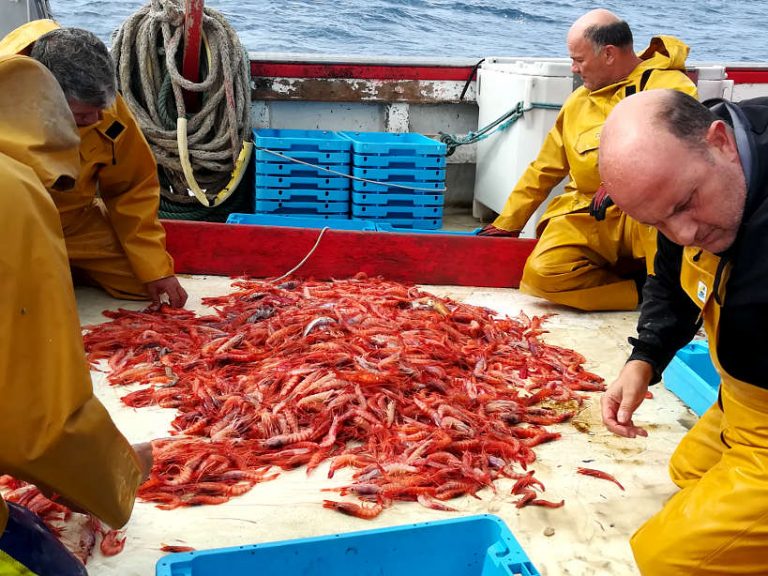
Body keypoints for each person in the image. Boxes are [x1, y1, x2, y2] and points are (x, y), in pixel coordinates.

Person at [599, 89, 768, 575]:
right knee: (687, 472)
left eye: (686, 204)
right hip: (745, 395)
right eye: (660, 222)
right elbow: (673, 279)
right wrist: (645, 357)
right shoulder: (688, 174)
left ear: (721, 143)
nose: (686, 234)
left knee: (664, 556)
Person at [0, 53, 152, 574]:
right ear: (56, 112)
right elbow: (36, 416)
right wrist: (117, 476)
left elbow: (135, 186)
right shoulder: (14, 192)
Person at [478, 9, 697, 311]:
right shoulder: (578, 101)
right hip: (589, 212)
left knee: (673, 235)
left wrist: (625, 180)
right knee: (542, 275)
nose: (573, 69)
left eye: (579, 60)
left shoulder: (671, 87)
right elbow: (545, 167)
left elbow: (689, 149)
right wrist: (508, 223)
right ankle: (643, 292)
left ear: (608, 54)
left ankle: (667, 292)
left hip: (650, 211)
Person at [0, 21, 188, 309]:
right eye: (83, 115)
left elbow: (133, 187)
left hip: (73, 224)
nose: (97, 121)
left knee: (145, 284)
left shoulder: (100, 102)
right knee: (25, 308)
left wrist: (155, 269)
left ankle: (64, 266)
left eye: (101, 109)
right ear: (43, 95)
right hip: (12, 231)